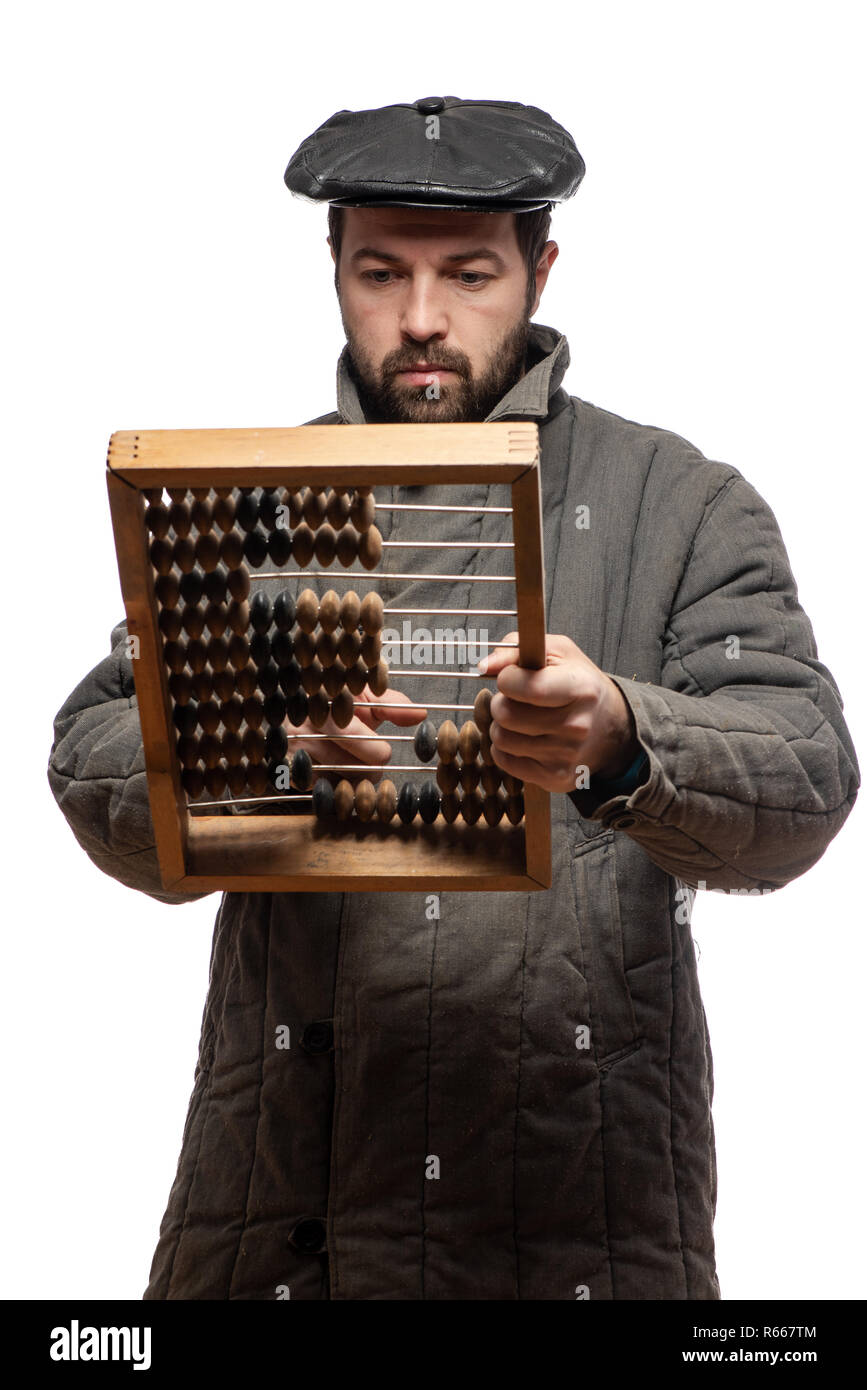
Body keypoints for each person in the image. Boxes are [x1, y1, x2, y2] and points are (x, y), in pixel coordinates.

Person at [48, 97, 859, 1300]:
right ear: (333, 267)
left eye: (469, 273)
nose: (421, 319)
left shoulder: (679, 503)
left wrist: (623, 738)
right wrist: (263, 754)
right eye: (380, 272)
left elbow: (804, 774)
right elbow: (94, 758)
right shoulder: (253, 500)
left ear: (541, 267)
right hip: (284, 1222)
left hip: (583, 1223)